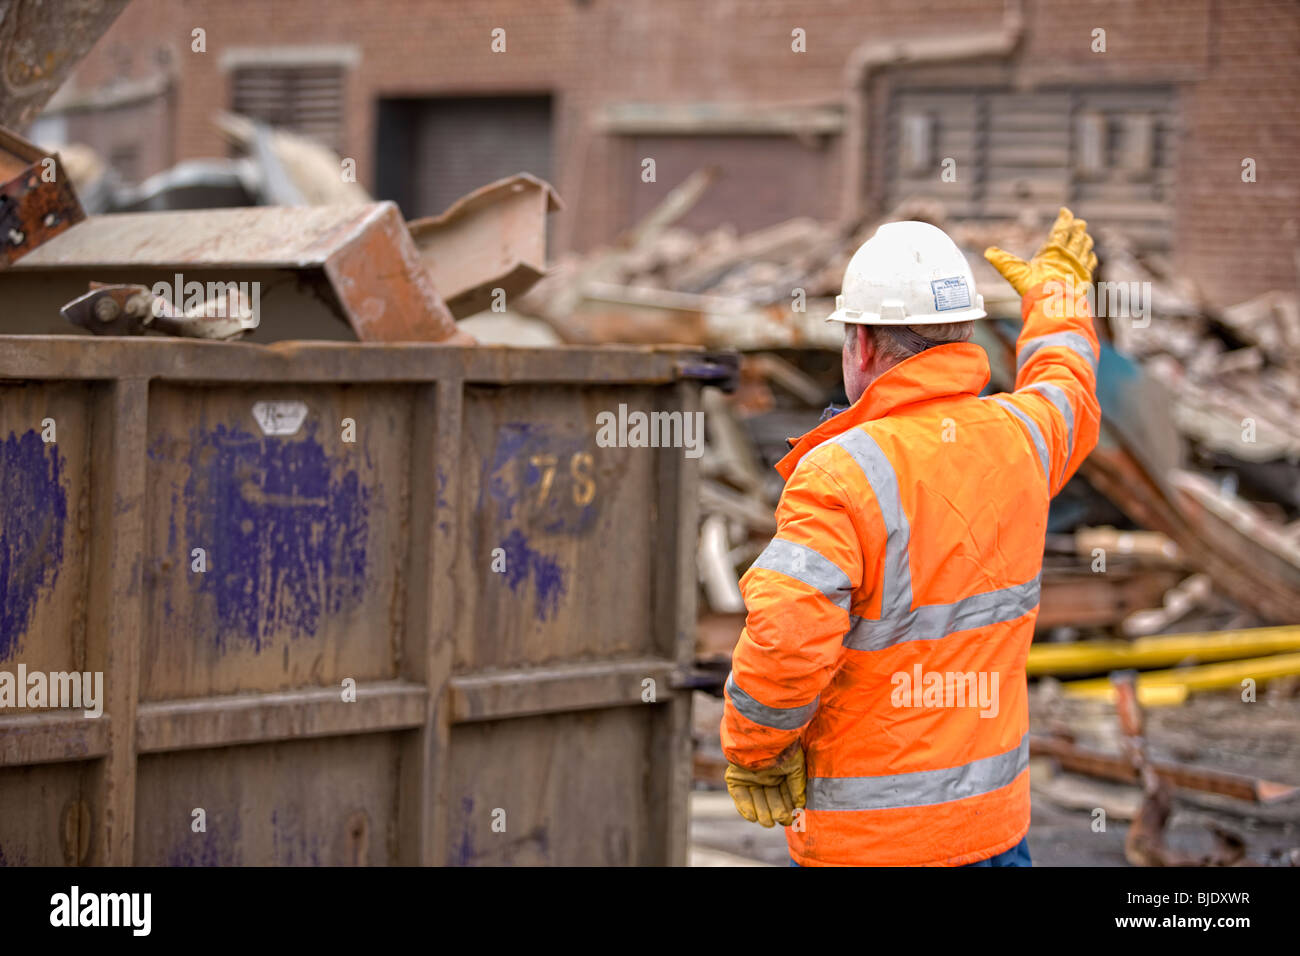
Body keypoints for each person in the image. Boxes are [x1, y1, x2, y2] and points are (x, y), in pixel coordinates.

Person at [720, 208, 1101, 866]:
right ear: (962, 336)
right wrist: (1059, 297)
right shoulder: (1023, 438)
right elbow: (1068, 384)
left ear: (862, 344)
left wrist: (755, 752)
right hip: (995, 832)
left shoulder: (839, 473)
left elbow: (786, 641)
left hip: (874, 845)